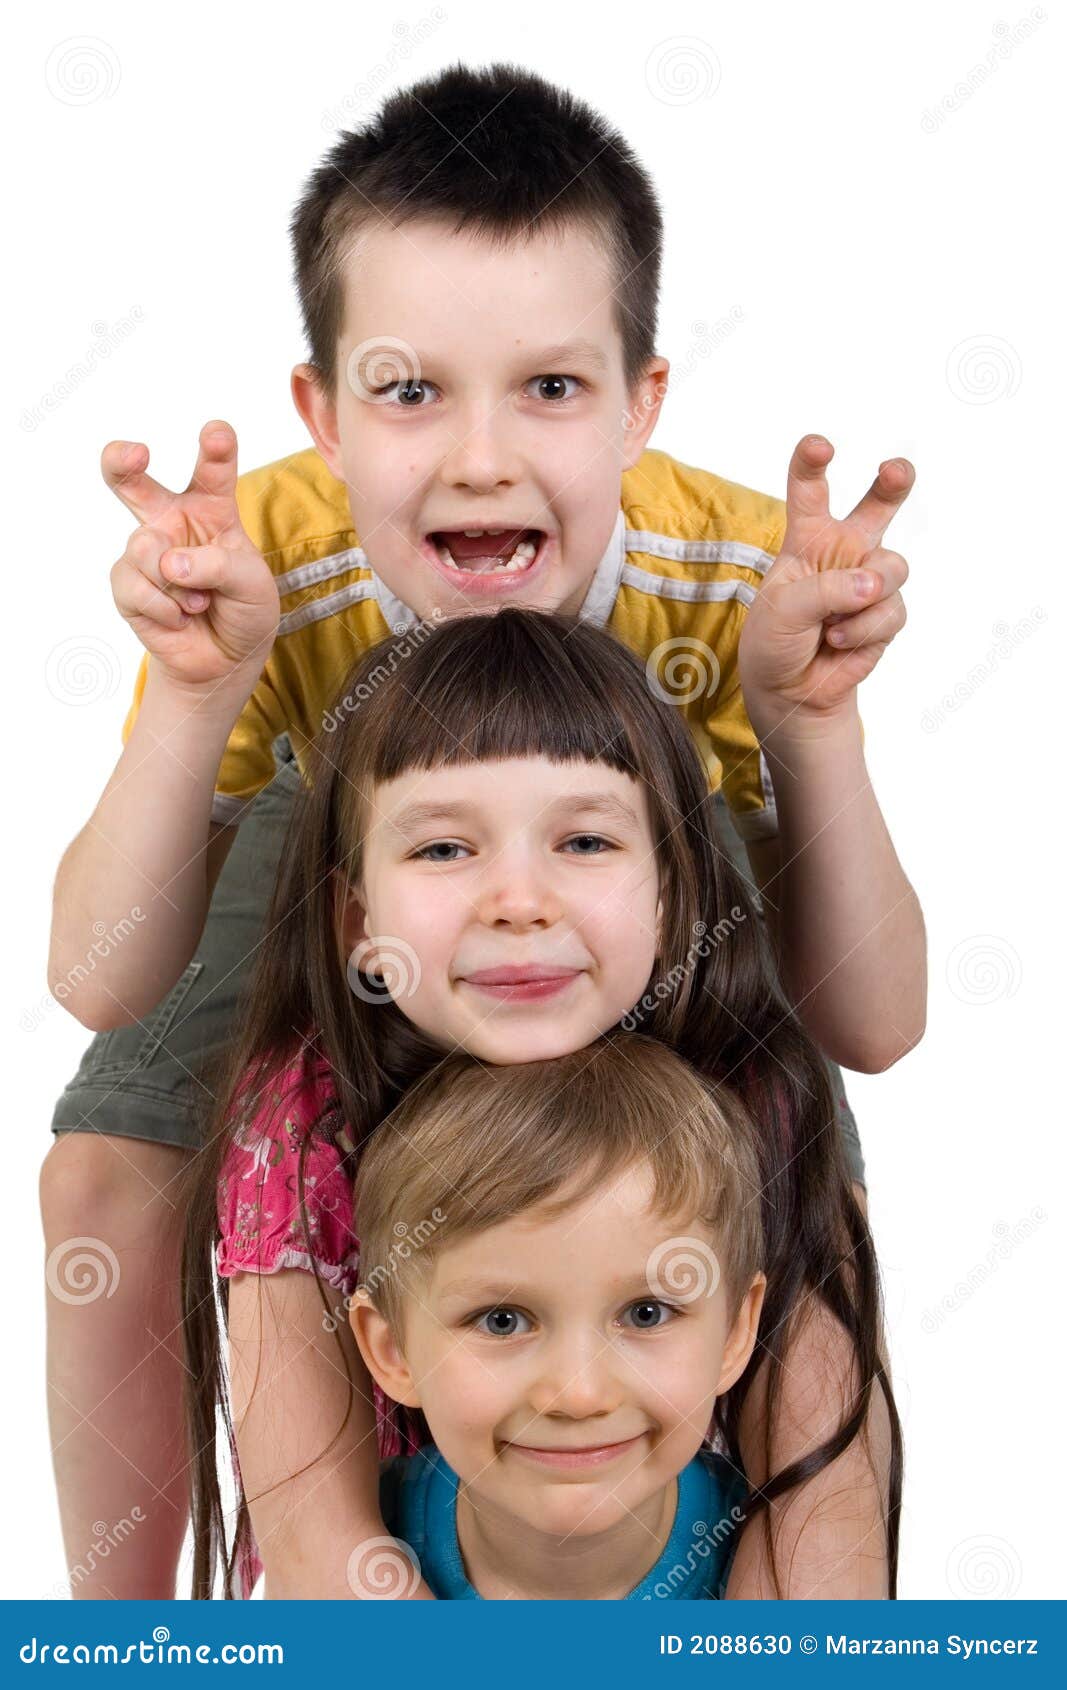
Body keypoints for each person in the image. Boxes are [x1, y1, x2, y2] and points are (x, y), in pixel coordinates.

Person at [44, 62, 922, 1599]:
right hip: (345, 803)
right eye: (408, 391)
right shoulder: (267, 570)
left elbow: (874, 1020)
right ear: (317, 414)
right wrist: (200, 692)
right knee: (99, 1175)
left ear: (641, 404)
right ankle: (121, 1632)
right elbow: (101, 977)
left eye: (551, 387)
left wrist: (808, 729)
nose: (479, 456)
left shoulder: (722, 574)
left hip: (620, 815)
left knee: (798, 1162)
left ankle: (806, 1609)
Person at [189, 608, 902, 1600]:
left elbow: (820, 1505)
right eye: (442, 850)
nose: (516, 900)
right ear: (360, 921)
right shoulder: (302, 1116)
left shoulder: (752, 1081)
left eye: (581, 839)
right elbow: (316, 1532)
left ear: (668, 894)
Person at [347, 1036, 767, 1602]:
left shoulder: (781, 1566)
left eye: (646, 1314)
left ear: (735, 1334)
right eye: (502, 1321)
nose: (578, 1395)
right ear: (394, 1349)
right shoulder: (355, 1556)